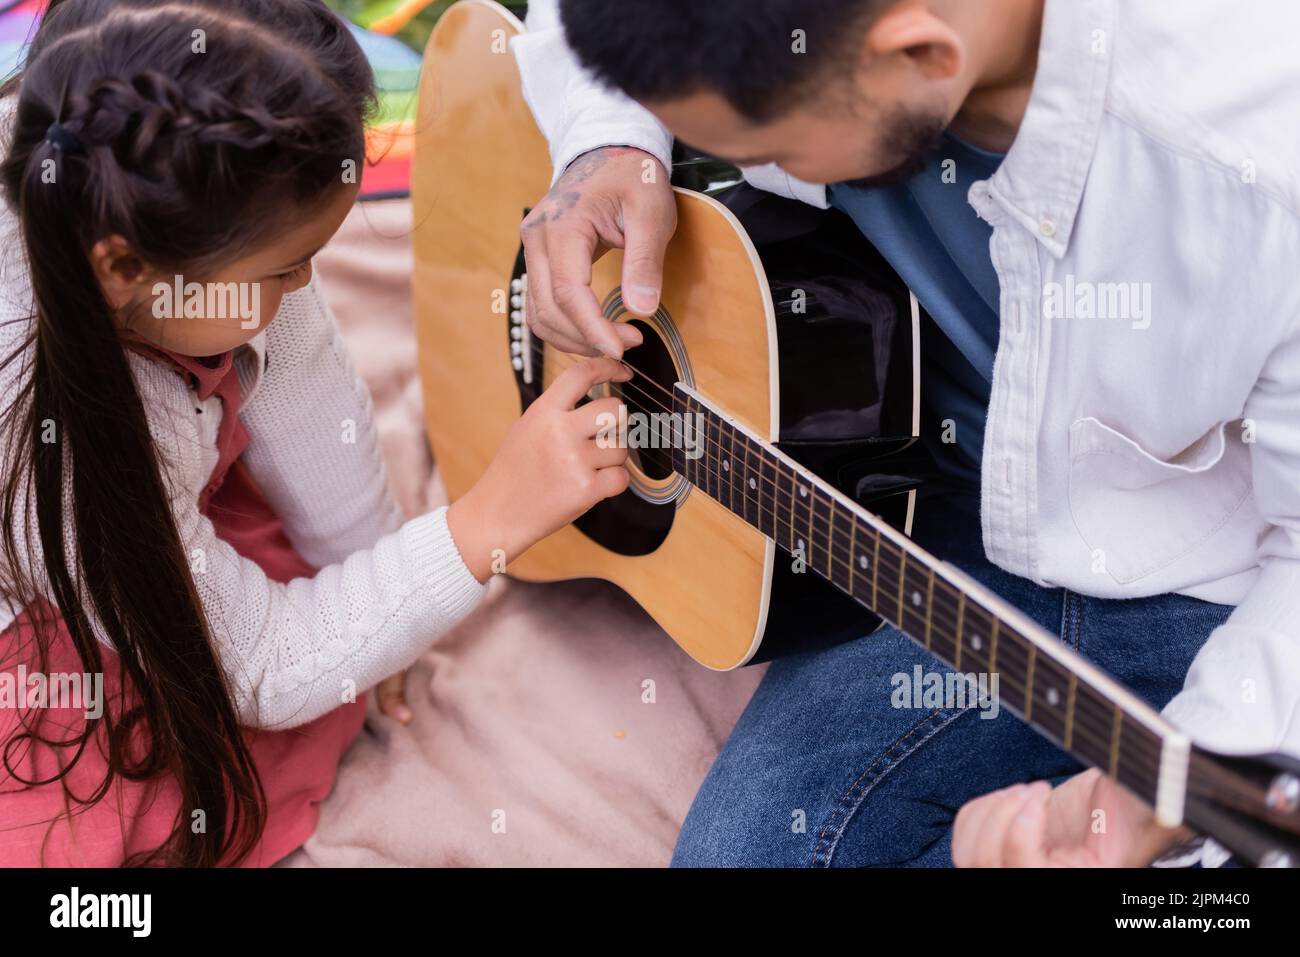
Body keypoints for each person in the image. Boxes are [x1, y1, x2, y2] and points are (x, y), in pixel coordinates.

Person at [514, 0, 1300, 866]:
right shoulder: (839, 59)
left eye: (763, 142)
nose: (733, 168)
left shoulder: (1260, 156)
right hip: (924, 525)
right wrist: (610, 143)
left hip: (1217, 589)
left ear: (919, 54)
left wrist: (1178, 787)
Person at [0, 0, 630, 866]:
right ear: (123, 270)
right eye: (286, 267)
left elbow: (311, 405)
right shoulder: (43, 444)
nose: (303, 287)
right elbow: (260, 663)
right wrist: (482, 527)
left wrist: (379, 583)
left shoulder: (175, 201)